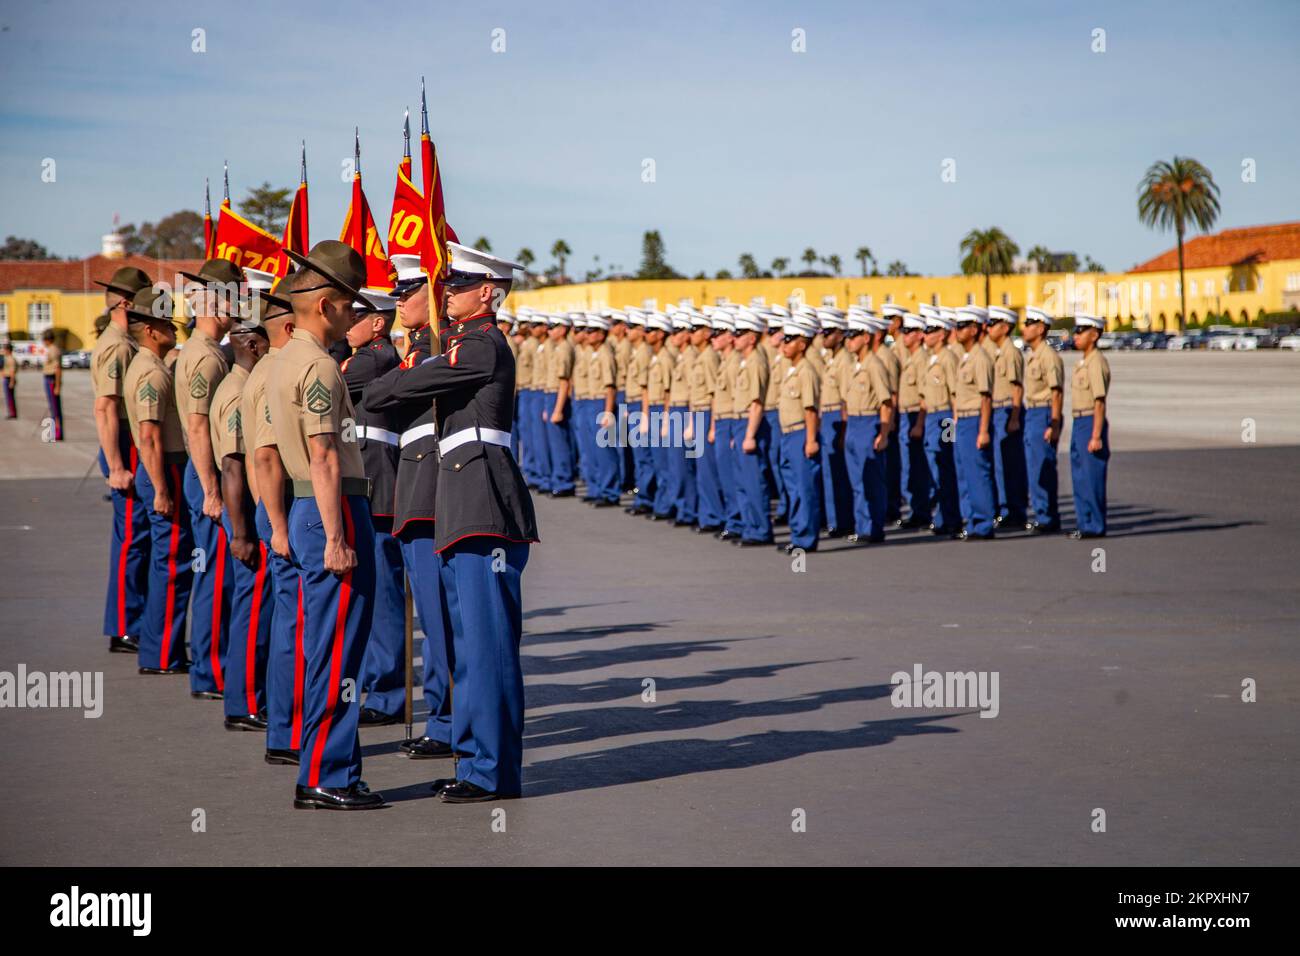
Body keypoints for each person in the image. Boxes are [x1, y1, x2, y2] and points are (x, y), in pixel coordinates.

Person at [364, 242, 538, 802]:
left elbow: (394, 389)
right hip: (463, 507)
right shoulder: (462, 344)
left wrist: (401, 376)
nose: (446, 293)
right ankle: (474, 762)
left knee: (486, 647)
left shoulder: (483, 344)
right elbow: (395, 389)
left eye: (458, 286)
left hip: (483, 505)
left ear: (488, 292)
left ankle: (492, 771)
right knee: (469, 643)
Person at [272, 240, 384, 811]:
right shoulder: (315, 366)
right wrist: (337, 536)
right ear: (324, 305)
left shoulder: (281, 361)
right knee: (338, 650)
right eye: (348, 307)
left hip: (304, 507)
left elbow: (267, 453)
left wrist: (282, 522)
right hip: (331, 508)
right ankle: (326, 774)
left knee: (324, 646)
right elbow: (324, 455)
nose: (354, 317)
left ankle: (330, 765)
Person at [242, 278, 306, 766]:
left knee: (291, 621)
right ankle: (289, 732)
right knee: (295, 625)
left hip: (277, 507)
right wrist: (280, 526)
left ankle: (288, 728)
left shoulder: (269, 368)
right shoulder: (273, 373)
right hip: (281, 507)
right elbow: (266, 457)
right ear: (289, 325)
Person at [338, 288, 406, 726]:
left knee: (383, 597)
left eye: (355, 315)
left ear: (378, 322)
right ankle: (379, 686)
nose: (347, 324)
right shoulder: (361, 356)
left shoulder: (375, 358)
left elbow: (330, 384)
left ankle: (387, 692)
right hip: (368, 481)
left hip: (378, 486)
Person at [176, 258, 242, 700]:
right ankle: (210, 671)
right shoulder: (203, 357)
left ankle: (212, 666)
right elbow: (199, 427)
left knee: (220, 577)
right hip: (208, 473)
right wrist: (212, 490)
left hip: (211, 472)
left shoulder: (215, 351)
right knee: (215, 579)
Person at [209, 295, 273, 731]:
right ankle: (244, 701)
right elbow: (233, 467)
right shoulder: (236, 394)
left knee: (258, 610)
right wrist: (242, 533)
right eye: (266, 343)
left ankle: (251, 696)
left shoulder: (244, 387)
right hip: (247, 515)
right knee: (251, 612)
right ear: (251, 344)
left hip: (249, 514)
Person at [121, 287, 193, 676]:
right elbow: (149, 435)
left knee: (169, 562)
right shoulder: (149, 371)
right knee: (171, 564)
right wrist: (162, 488)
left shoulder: (151, 364)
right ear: (150, 330)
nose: (174, 330)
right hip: (164, 469)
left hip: (164, 469)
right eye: (167, 324)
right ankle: (162, 653)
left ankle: (161, 648)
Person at [89, 265, 153, 653]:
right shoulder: (117, 345)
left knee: (136, 537)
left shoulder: (120, 341)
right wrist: (116, 466)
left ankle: (131, 619)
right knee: (132, 539)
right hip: (124, 444)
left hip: (127, 442)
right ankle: (126, 624)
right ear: (128, 304)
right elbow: (106, 407)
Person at [842, 310, 893, 544]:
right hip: (853, 422)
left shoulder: (875, 365)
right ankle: (862, 526)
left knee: (871, 480)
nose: (848, 340)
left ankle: (874, 527)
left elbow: (886, 402)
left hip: (869, 422)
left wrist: (883, 434)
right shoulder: (854, 365)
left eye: (853, 335)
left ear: (865, 336)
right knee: (857, 481)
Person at [776, 315, 822, 553]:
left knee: (805, 488)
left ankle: (806, 538)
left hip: (801, 434)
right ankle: (797, 533)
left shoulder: (806, 372)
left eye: (790, 339)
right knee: (793, 488)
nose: (784, 344)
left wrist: (811, 439)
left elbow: (811, 409)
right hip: (787, 435)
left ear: (802, 345)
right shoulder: (791, 369)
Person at [951, 308, 997, 540]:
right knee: (965, 473)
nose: (957, 331)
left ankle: (983, 524)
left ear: (975, 328)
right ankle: (971, 521)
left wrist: (983, 430)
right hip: (963, 421)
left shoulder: (980, 358)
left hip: (976, 419)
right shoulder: (966, 358)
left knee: (978, 473)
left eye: (962, 326)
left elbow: (985, 397)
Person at [731, 308, 774, 547]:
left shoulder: (756, 361)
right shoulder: (745, 361)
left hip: (751, 425)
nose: (735, 337)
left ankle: (760, 530)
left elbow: (756, 403)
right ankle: (750, 527)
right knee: (743, 482)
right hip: (740, 424)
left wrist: (749, 435)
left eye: (740, 333)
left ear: (753, 337)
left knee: (754, 481)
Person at [1021, 307, 1064, 534]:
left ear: (1040, 328)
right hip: (1033, 412)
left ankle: (1048, 517)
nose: (1024, 328)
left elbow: (1056, 392)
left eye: (1028, 324)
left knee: (1043, 467)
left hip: (1045, 412)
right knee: (1034, 467)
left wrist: (1054, 424)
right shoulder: (1032, 356)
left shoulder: (1048, 356)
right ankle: (1042, 514)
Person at [985, 305, 1029, 529]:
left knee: (1008, 464)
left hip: (1006, 410)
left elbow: (1017, 388)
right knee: (998, 462)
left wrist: (1014, 417)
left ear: (1004, 327)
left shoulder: (1011, 352)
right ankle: (1004, 508)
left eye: (992, 324)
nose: (988, 328)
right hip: (994, 410)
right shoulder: (996, 351)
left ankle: (1015, 510)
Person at [1068, 313, 1111, 539]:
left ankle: (1094, 525)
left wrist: (1096, 435)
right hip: (1079, 421)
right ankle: (1085, 523)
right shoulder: (1082, 362)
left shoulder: (1096, 363)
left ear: (1094, 335)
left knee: (1092, 476)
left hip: (1090, 421)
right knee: (1080, 476)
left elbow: (1099, 401)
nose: (1076, 336)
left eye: (1080, 331)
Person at [815, 309, 852, 537]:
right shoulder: (831, 360)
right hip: (827, 416)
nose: (824, 337)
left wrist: (844, 429)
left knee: (840, 473)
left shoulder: (844, 361)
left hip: (838, 416)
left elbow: (847, 398)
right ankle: (835, 519)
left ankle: (845, 520)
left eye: (829, 332)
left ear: (840, 334)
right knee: (830, 473)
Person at [895, 311, 932, 528]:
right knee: (911, 467)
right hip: (907, 415)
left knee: (923, 466)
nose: (904, 336)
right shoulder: (911, 359)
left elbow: (925, 396)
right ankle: (918, 510)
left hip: (920, 416)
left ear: (919, 335)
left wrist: (919, 423)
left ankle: (925, 511)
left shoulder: (922, 361)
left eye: (908, 332)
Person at [689, 309, 724, 533]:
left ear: (705, 332)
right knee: (702, 470)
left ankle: (714, 516)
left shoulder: (710, 357)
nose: (692, 334)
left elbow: (714, 394)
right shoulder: (700, 356)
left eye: (695, 330)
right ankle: (707, 514)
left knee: (708, 470)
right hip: (697, 414)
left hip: (706, 415)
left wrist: (711, 426)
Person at [583, 314, 622, 506]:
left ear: (601, 334)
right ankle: (599, 488)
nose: (587, 334)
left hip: (601, 403)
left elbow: (610, 386)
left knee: (605, 450)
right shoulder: (593, 352)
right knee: (594, 451)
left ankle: (610, 492)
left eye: (591, 331)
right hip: (591, 402)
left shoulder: (605, 353)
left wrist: (608, 412)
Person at [643, 311, 675, 520]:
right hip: (652, 410)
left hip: (662, 412)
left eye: (650, 330)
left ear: (661, 333)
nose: (647, 334)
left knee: (666, 463)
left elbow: (668, 392)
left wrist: (665, 418)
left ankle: (667, 505)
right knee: (657, 461)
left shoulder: (665, 359)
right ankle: (661, 502)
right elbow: (647, 389)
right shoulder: (654, 357)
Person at [623, 310, 655, 514]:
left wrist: (644, 415)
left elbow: (646, 388)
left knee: (644, 456)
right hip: (633, 405)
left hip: (642, 407)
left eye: (632, 326)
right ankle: (643, 496)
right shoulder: (636, 350)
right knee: (639, 456)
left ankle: (646, 498)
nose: (627, 330)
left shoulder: (644, 352)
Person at [542, 313, 576, 497]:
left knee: (560, 443)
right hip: (551, 395)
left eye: (553, 327)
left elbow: (565, 382)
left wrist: (557, 409)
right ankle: (559, 479)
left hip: (557, 396)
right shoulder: (557, 347)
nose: (550, 330)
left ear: (562, 329)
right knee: (555, 444)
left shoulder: (563, 348)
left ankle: (564, 482)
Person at [42, 329, 63, 441]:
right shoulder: (51, 349)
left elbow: (58, 369)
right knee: (52, 407)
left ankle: (57, 432)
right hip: (49, 378)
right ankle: (55, 432)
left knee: (55, 408)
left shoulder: (53, 350)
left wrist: (57, 386)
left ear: (48, 340)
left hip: (52, 380)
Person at [2, 342, 16, 419]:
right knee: (9, 397)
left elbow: (12, 371)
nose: (4, 350)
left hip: (9, 379)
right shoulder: (7, 358)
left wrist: (11, 381)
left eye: (5, 349)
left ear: (8, 350)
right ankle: (11, 412)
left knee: (9, 397)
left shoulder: (10, 359)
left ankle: (12, 413)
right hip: (7, 378)